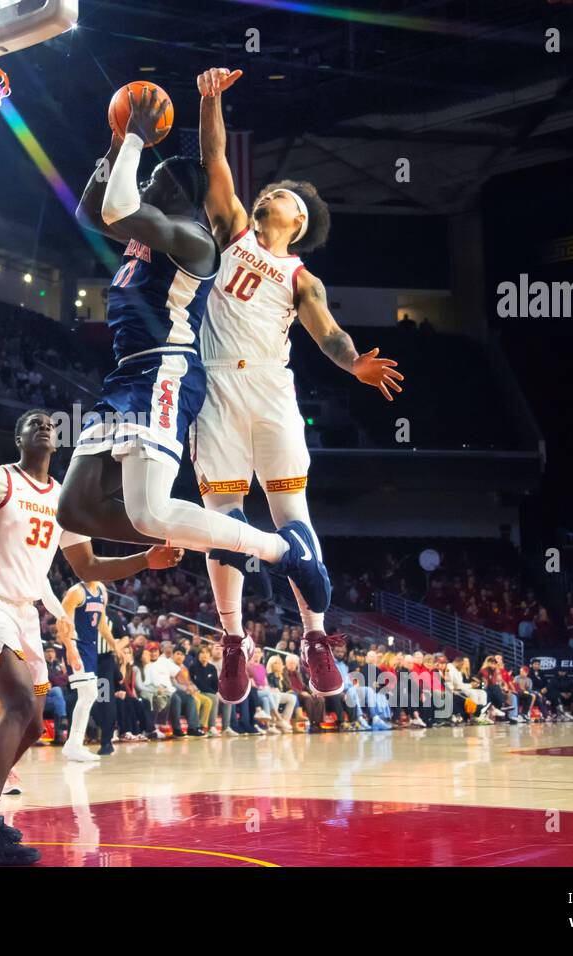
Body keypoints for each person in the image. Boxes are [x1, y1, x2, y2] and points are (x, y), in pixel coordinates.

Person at [61, 88, 333, 709]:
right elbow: (91, 210)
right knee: (75, 512)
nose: (151, 177)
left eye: (159, 174)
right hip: (126, 377)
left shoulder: (190, 239)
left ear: (174, 194)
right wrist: (114, 142)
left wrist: (134, 137)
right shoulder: (142, 229)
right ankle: (218, 545)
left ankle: (276, 550)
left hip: (168, 372)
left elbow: (124, 203)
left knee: (159, 511)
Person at [192, 65, 403, 708]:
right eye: (273, 191)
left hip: (273, 394)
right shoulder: (230, 228)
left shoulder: (302, 278)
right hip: (218, 392)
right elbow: (213, 157)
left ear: (299, 220)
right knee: (220, 522)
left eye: (285, 195)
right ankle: (233, 641)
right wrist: (210, 101)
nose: (273, 195)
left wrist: (352, 365)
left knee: (293, 516)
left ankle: (314, 636)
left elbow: (330, 335)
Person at [0, 409, 184, 865]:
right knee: (20, 704)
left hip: (26, 613)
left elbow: (88, 567)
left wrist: (146, 560)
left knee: (34, 722)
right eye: (33, 422)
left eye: (51, 423)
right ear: (18, 437)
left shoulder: (64, 501)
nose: (45, 425)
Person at [57, 579, 115, 760]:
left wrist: (115, 646)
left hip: (91, 648)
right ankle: (74, 744)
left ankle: (74, 745)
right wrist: (69, 647)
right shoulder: (76, 592)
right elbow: (62, 623)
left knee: (89, 695)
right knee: (88, 693)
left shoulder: (101, 589)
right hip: (77, 645)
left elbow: (102, 624)